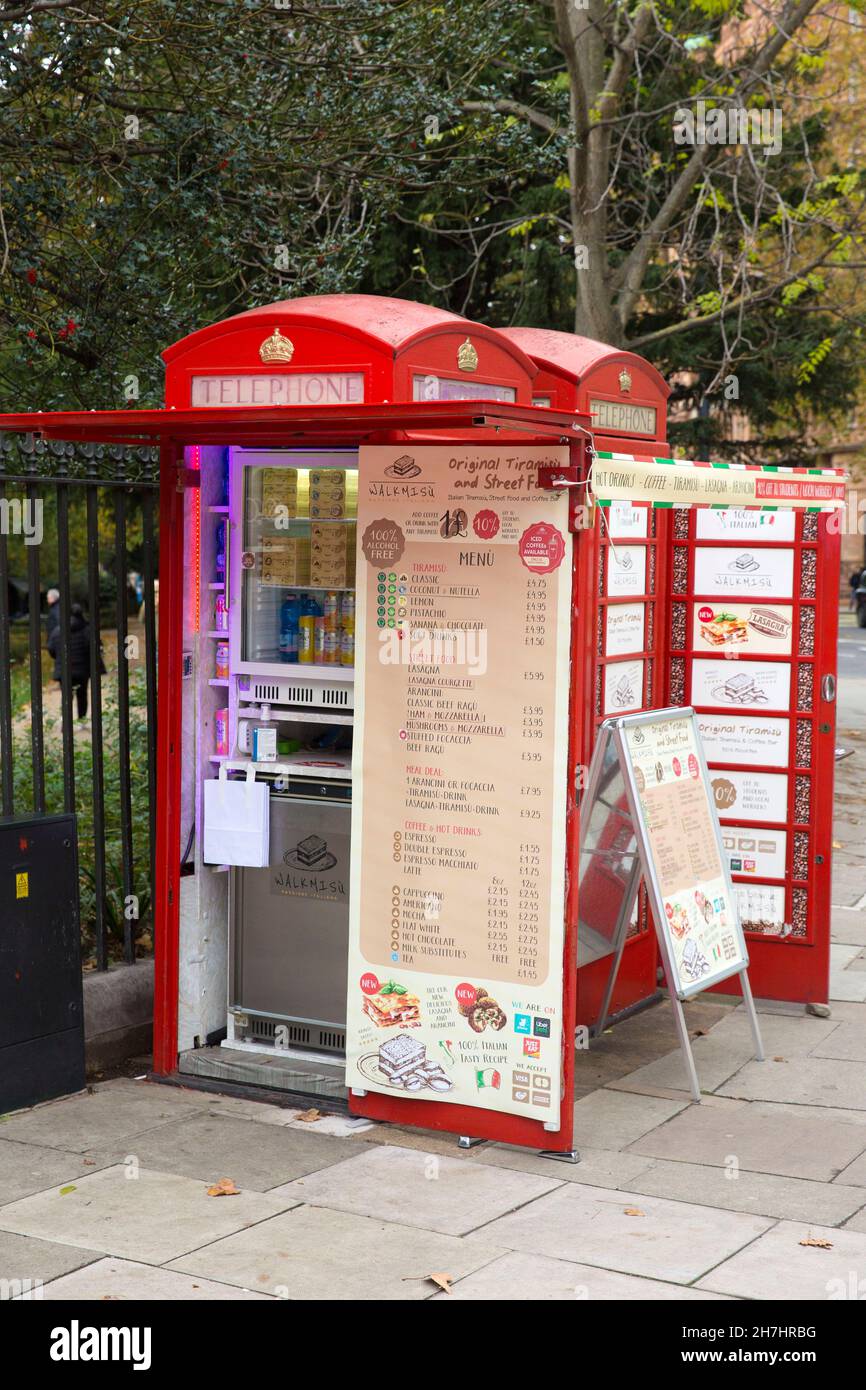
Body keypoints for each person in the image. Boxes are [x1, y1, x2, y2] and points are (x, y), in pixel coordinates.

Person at [48, 603, 102, 720]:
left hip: (64, 670)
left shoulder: (58, 630)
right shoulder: (87, 630)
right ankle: (81, 720)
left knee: (66, 696)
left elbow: (51, 649)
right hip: (82, 670)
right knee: (82, 694)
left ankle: (66, 721)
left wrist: (59, 658)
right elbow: (94, 648)